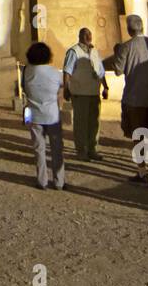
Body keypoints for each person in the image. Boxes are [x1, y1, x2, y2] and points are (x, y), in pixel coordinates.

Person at [113, 15, 148, 183]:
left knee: (139, 136)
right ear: (142, 27)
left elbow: (118, 70)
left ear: (129, 29)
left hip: (135, 98)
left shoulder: (126, 47)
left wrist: (117, 53)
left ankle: (142, 172)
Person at [23, 42, 65, 190]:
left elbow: (25, 91)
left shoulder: (27, 71)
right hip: (52, 115)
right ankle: (59, 181)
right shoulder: (54, 72)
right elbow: (62, 85)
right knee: (56, 150)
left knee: (39, 150)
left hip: (34, 116)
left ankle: (42, 181)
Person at [64, 27, 108, 160]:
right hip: (80, 93)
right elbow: (67, 72)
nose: (88, 36)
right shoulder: (73, 52)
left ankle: (92, 149)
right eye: (85, 34)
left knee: (94, 122)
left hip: (94, 92)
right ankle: (81, 151)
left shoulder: (95, 51)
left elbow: (101, 71)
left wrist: (105, 87)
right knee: (81, 123)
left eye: (89, 34)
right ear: (80, 36)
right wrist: (67, 88)